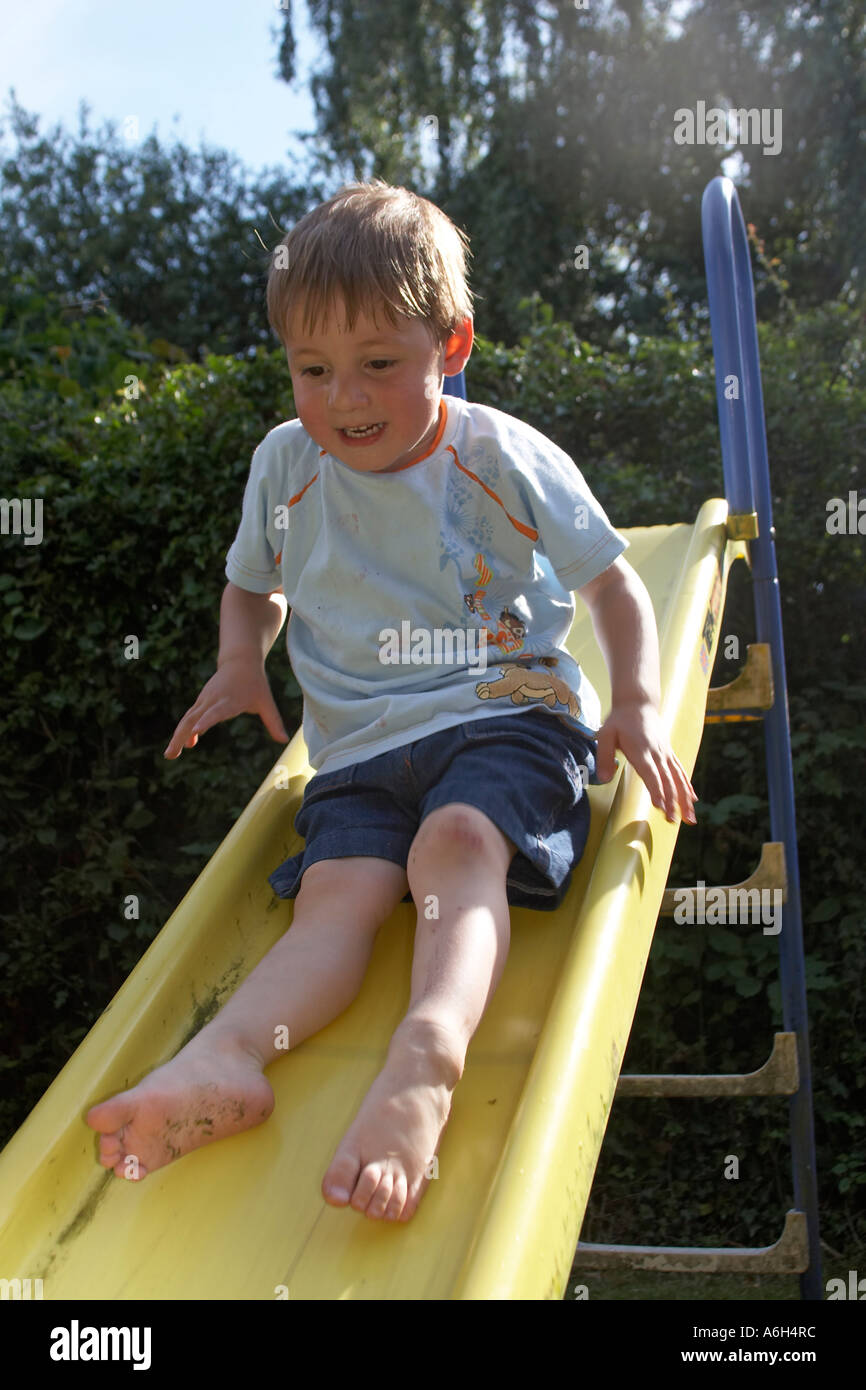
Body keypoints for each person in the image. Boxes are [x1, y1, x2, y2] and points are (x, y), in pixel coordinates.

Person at [86, 182, 697, 1223]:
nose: (344, 399)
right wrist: (244, 658)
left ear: (449, 345)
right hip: (360, 753)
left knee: (455, 844)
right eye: (311, 369)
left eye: (378, 363)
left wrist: (636, 699)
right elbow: (254, 580)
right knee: (335, 901)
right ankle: (227, 1057)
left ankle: (424, 1061)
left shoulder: (497, 453)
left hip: (506, 713)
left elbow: (612, 582)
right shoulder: (284, 461)